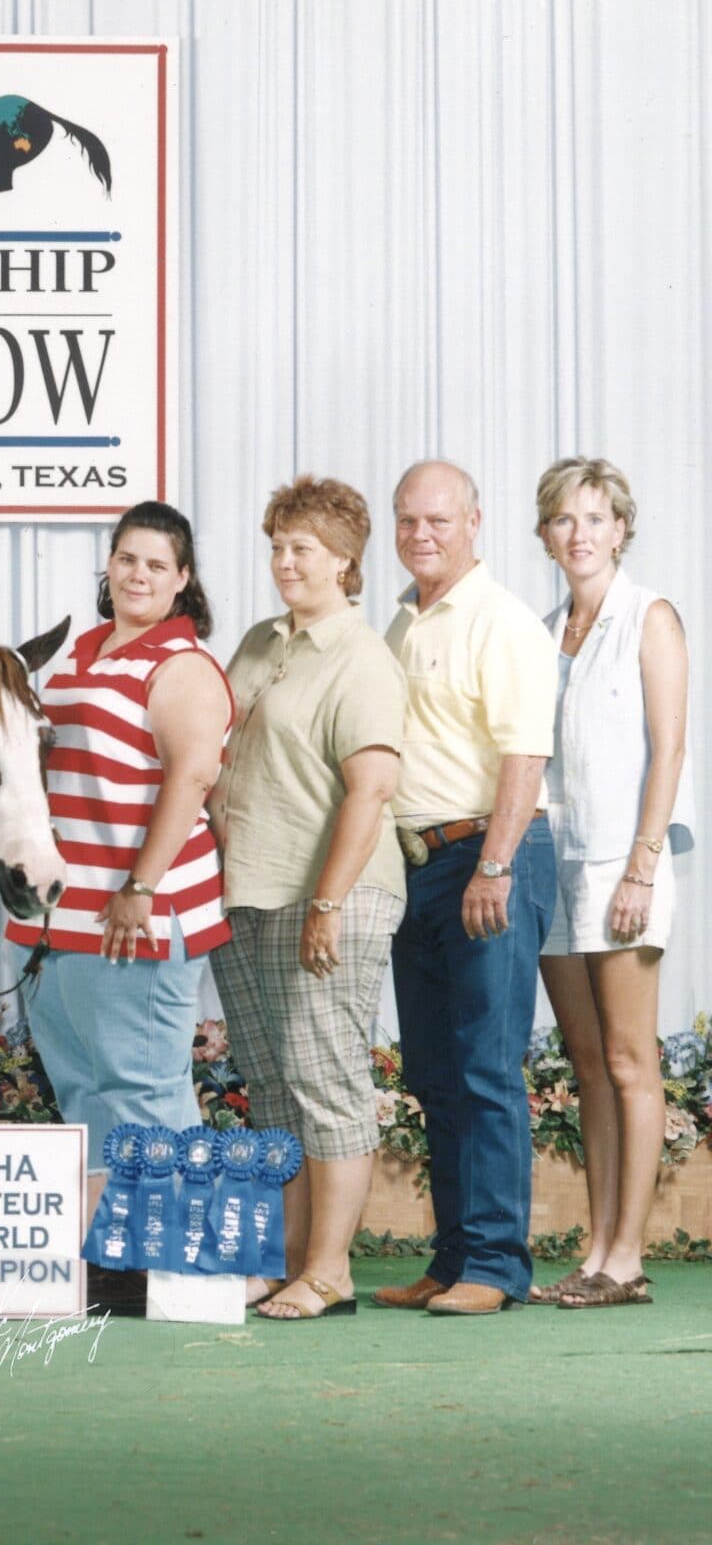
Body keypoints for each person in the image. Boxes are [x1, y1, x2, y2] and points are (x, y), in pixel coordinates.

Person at [6, 501, 233, 1314]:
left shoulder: (183, 666)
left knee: (146, 1092)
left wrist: (139, 885)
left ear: (182, 580)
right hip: (59, 918)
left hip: (137, 911)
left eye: (156, 564)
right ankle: (117, 1261)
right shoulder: (78, 654)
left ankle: (185, 1271)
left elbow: (192, 778)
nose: (137, 575)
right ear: (108, 565)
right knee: (88, 1096)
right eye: (126, 559)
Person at [208, 478, 407, 1320]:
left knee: (326, 1079)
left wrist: (327, 902)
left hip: (331, 891)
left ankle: (331, 1271)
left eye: (305, 549)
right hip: (245, 888)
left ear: (345, 561)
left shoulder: (362, 657)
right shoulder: (259, 642)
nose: (286, 562)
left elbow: (370, 789)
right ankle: (289, 1260)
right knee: (273, 1082)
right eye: (279, 546)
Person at [374, 460, 558, 1317]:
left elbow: (525, 754)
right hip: (415, 863)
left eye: (438, 520)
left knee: (486, 1066)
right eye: (408, 520)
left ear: (475, 522)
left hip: (488, 851)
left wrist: (495, 863)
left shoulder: (503, 621)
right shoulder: (401, 622)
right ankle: (450, 1263)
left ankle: (494, 1265)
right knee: (435, 1071)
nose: (421, 535)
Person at [530, 458, 693, 1309]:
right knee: (589, 1061)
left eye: (596, 517)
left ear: (621, 528)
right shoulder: (546, 626)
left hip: (621, 863)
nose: (581, 531)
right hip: (553, 863)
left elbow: (668, 748)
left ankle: (627, 1255)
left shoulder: (649, 616)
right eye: (564, 518)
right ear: (547, 534)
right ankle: (596, 1248)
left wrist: (641, 864)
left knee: (631, 1059)